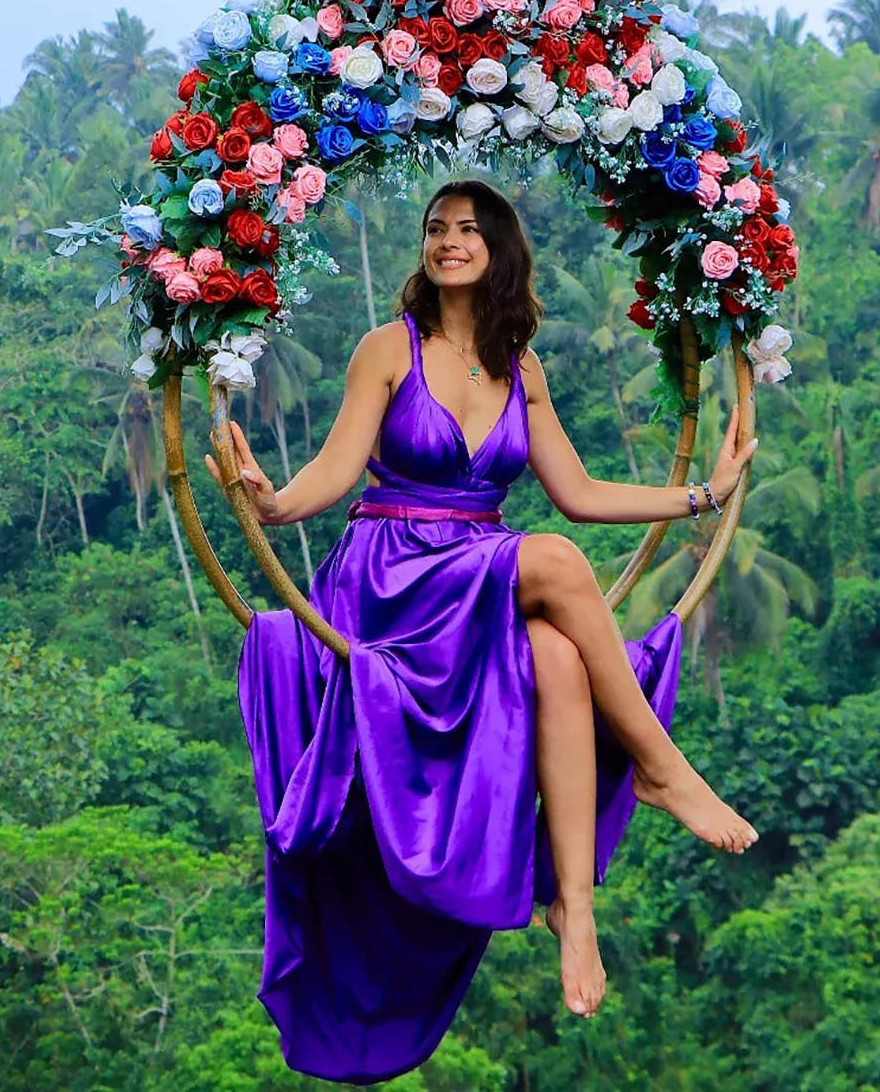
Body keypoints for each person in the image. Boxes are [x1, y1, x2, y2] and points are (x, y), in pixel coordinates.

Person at [206, 177, 759, 1084]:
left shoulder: (522, 364)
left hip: (480, 576)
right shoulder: (389, 348)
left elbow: (577, 493)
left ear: (500, 247)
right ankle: (661, 768)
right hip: (391, 577)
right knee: (557, 566)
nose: (448, 241)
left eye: (467, 229)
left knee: (558, 658)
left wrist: (703, 493)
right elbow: (332, 473)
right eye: (435, 228)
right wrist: (271, 507)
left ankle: (574, 913)